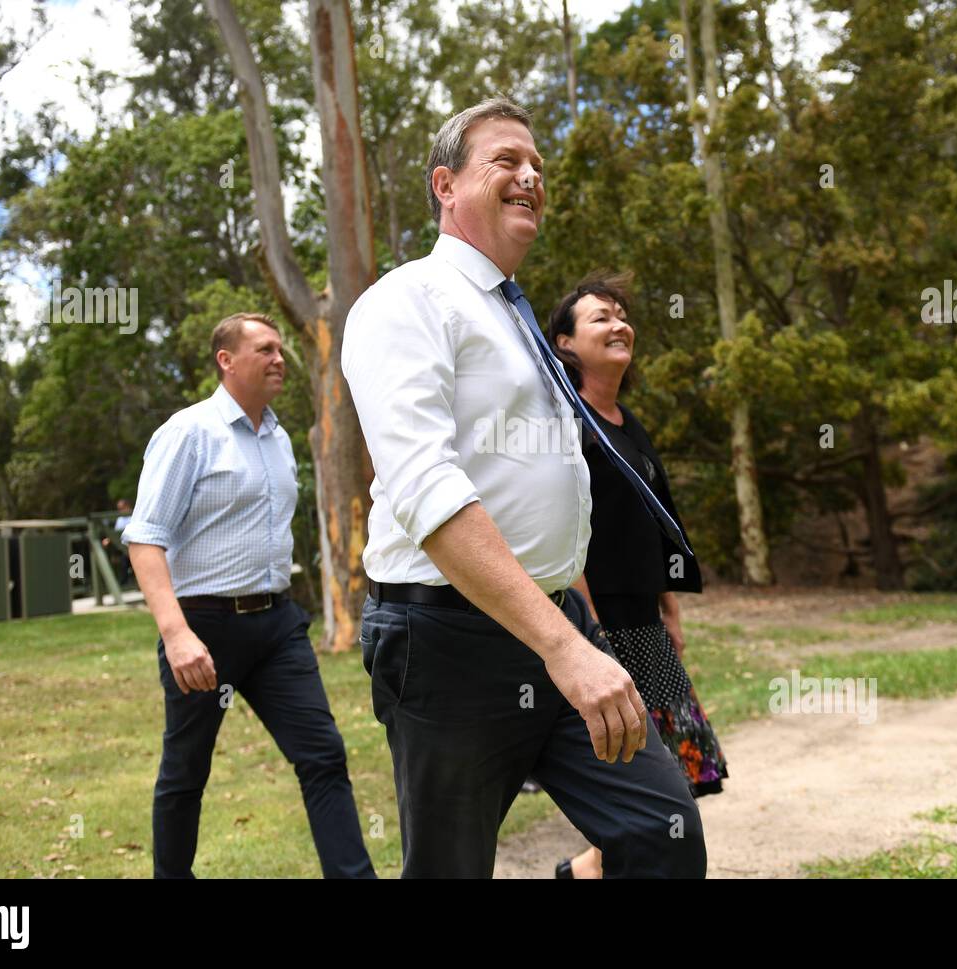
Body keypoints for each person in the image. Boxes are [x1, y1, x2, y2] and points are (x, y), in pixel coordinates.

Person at [341, 97, 706, 878]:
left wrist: (582, 621)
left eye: (537, 165)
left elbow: (546, 488)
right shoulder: (404, 303)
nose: (530, 176)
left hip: (557, 620)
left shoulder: (519, 321)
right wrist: (564, 645)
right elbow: (429, 491)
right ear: (445, 184)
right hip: (444, 641)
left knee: (660, 831)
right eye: (506, 161)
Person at [124, 313, 375, 879]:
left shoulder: (279, 437)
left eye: (281, 349)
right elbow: (145, 538)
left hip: (277, 626)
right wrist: (176, 633)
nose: (279, 358)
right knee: (187, 771)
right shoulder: (189, 433)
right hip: (203, 630)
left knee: (322, 757)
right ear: (226, 360)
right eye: (264, 349)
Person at [547, 272, 727, 879]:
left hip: (644, 620)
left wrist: (669, 610)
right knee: (634, 778)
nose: (619, 323)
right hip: (594, 623)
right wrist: (588, 626)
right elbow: (562, 528)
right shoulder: (562, 420)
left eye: (621, 315)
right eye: (600, 317)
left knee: (680, 769)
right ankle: (595, 868)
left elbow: (661, 521)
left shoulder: (629, 420)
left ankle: (586, 870)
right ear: (566, 343)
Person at [102, 498, 134, 585]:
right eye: (119, 509)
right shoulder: (120, 519)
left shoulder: (134, 516)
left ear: (127, 506)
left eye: (122, 508)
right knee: (123, 560)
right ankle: (122, 583)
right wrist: (108, 540)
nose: (120, 511)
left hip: (134, 546)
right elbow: (116, 533)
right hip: (123, 547)